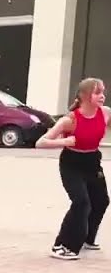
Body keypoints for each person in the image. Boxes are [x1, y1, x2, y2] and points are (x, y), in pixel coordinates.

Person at [36, 77, 109, 260]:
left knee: (101, 200)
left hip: (92, 161)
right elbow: (41, 142)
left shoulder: (105, 113)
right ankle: (62, 245)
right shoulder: (70, 120)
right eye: (97, 92)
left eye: (103, 92)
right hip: (72, 163)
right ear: (84, 96)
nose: (102, 96)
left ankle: (88, 238)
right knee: (81, 202)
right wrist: (64, 141)